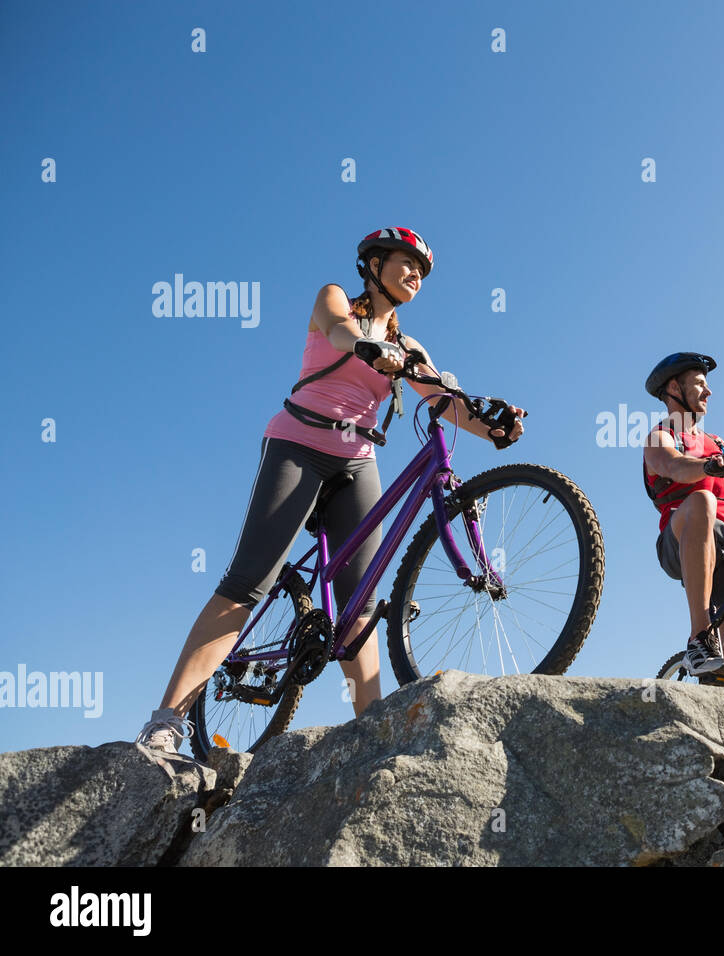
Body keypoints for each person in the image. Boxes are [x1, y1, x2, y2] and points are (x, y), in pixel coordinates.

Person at [135, 227, 524, 759]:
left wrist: (491, 425)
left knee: (358, 605)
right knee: (248, 581)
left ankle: (374, 736)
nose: (415, 274)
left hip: (358, 461)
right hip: (299, 443)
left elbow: (443, 399)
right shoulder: (335, 297)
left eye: (421, 270)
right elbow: (340, 332)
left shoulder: (410, 347)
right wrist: (370, 344)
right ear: (374, 264)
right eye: (406, 262)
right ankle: (166, 721)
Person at [642, 353, 724, 687]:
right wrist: (707, 466)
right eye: (699, 384)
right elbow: (673, 466)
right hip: (681, 537)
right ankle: (700, 637)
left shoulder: (717, 444)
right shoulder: (660, 437)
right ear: (673, 388)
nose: (709, 392)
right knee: (702, 501)